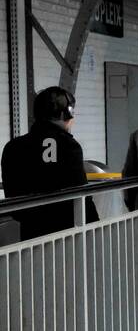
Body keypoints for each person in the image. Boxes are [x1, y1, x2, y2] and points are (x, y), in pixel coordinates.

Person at [1, 87, 97, 240]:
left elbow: (12, 196)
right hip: (67, 234)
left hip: (30, 233)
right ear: (65, 114)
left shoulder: (13, 147)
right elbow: (81, 194)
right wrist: (96, 228)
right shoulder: (69, 145)